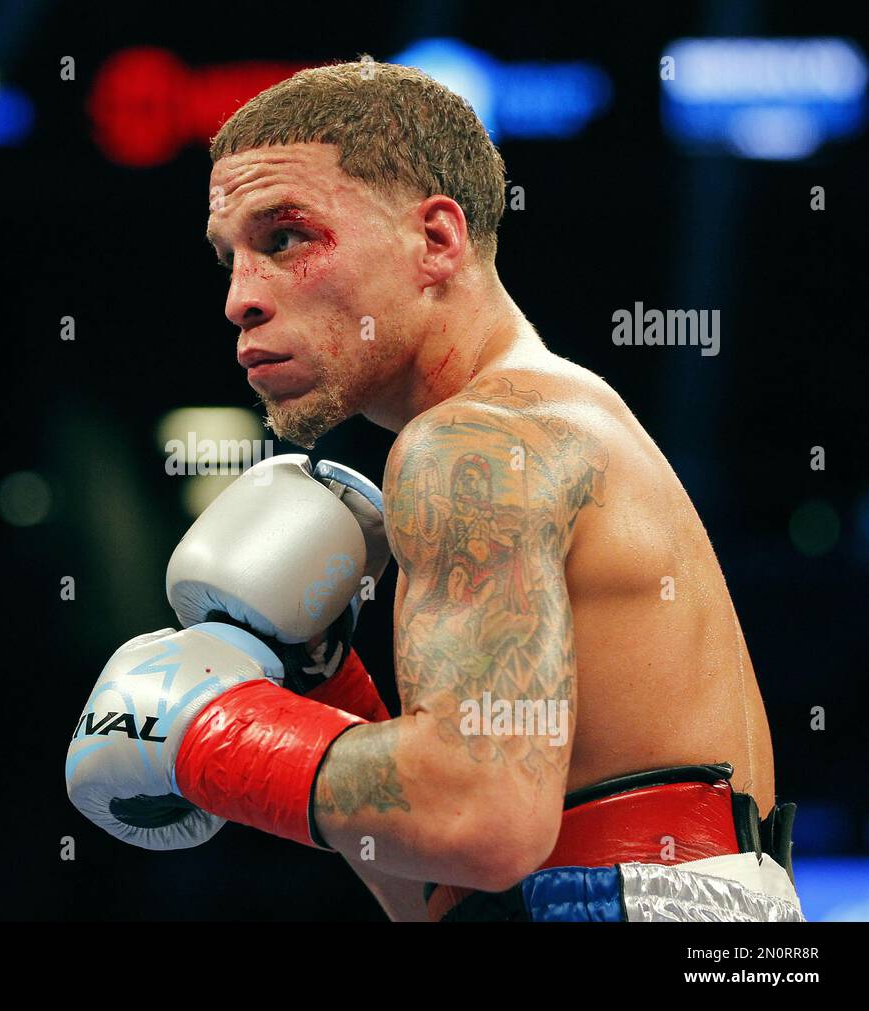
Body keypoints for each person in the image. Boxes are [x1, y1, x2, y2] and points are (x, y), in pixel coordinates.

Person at [67, 59, 802, 922]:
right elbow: (441, 886)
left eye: (286, 238)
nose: (240, 298)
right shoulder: (545, 414)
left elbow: (477, 818)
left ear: (437, 241)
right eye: (229, 257)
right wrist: (324, 682)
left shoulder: (474, 442)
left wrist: (208, 733)